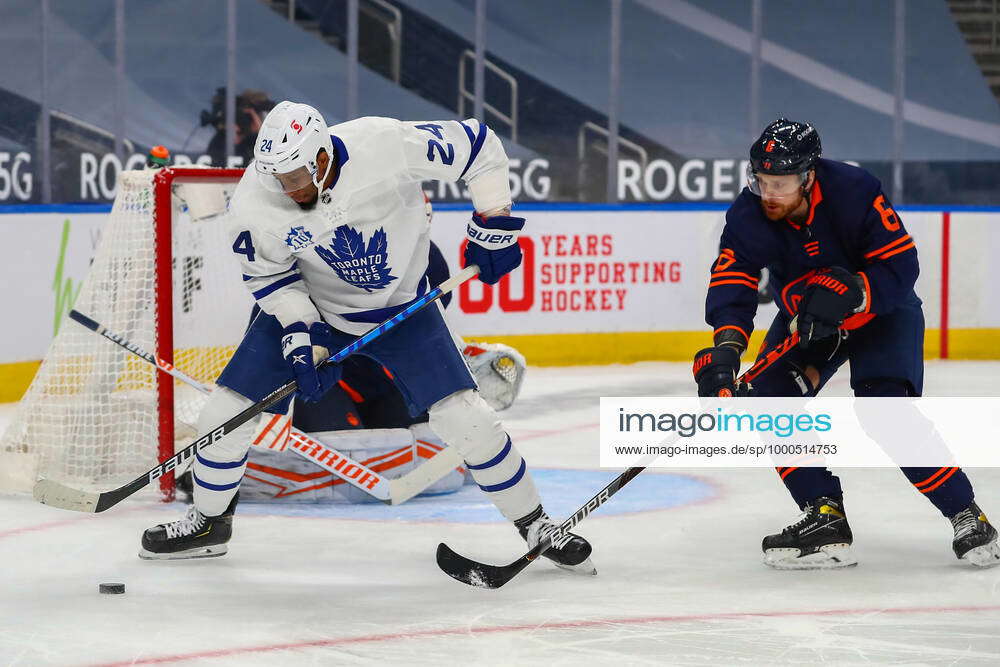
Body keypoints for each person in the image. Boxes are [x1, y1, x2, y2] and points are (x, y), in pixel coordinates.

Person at [140, 101, 592, 574]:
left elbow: (478, 146)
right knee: (225, 412)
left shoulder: (383, 144)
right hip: (316, 307)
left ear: (320, 158)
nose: (287, 189)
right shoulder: (256, 202)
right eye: (277, 177)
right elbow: (272, 280)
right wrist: (302, 333)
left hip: (404, 309)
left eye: (295, 176)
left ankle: (537, 523)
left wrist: (493, 223)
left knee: (466, 418)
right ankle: (209, 523)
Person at [693, 118, 1000, 570]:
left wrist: (854, 292)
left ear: (808, 176)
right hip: (807, 323)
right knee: (768, 407)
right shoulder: (747, 214)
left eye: (780, 183)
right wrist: (725, 348)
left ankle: (967, 515)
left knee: (885, 411)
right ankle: (824, 515)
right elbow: (733, 280)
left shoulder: (854, 188)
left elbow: (900, 266)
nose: (769, 193)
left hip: (882, 313)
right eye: (761, 181)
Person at [204, 88, 275, 168]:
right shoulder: (218, 142)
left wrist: (252, 113)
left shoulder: (255, 144)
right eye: (238, 119)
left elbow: (263, 134)